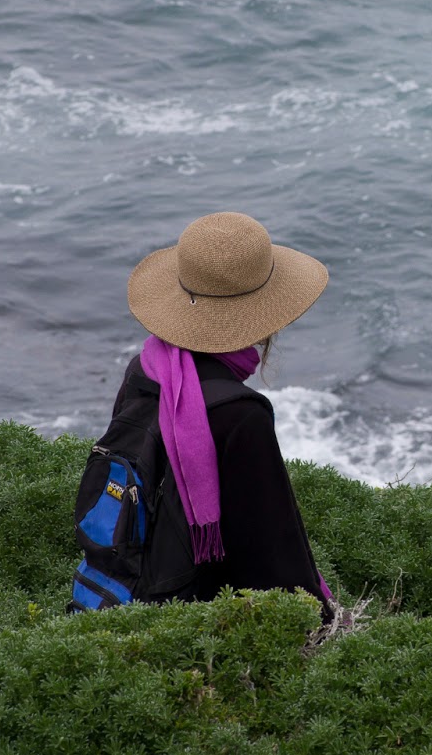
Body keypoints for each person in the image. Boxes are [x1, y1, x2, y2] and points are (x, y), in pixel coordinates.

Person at [95, 210, 336, 609]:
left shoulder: (146, 368)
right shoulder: (241, 414)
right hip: (192, 611)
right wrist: (319, 615)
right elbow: (272, 553)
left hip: (128, 583)